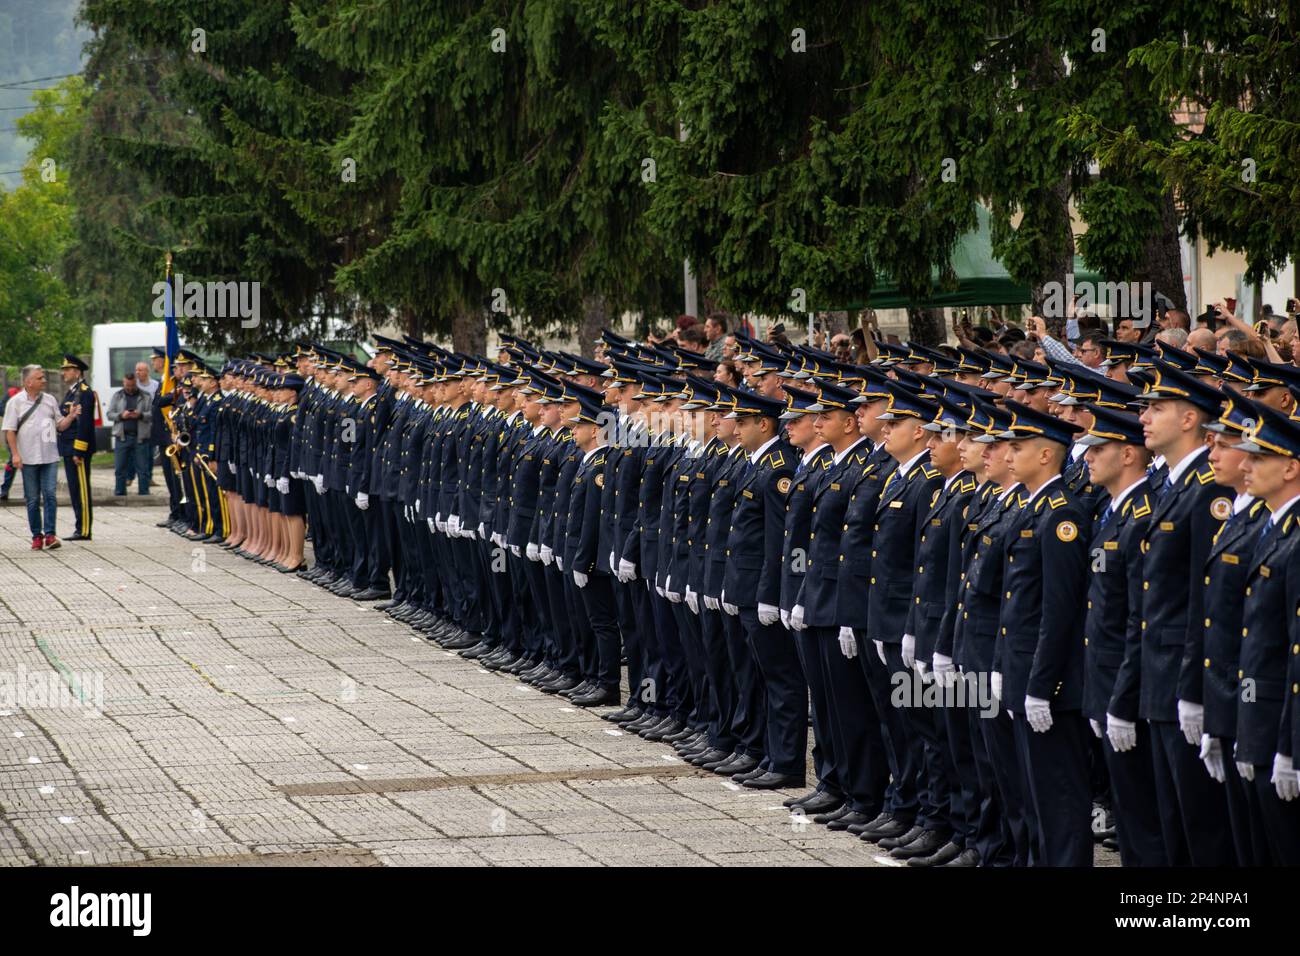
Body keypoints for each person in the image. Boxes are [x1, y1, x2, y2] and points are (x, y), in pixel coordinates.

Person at [2, 365, 66, 549]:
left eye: (44, 377)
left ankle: (51, 535)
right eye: (40, 378)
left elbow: (59, 424)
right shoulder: (15, 402)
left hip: (49, 456)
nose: (44, 380)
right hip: (28, 457)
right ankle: (36, 536)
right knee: (32, 499)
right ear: (28, 382)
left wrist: (69, 417)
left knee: (50, 495)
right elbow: (10, 431)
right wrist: (15, 454)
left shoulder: (50, 400)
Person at [57, 355, 98, 541]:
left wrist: (79, 450)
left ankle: (84, 529)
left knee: (81, 489)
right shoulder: (72, 392)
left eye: (67, 369)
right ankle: (79, 526)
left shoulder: (84, 392)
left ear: (77, 372)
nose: (64, 373)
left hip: (76, 449)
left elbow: (85, 424)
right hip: (67, 447)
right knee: (74, 489)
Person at [107, 373, 153, 495]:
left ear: (136, 383)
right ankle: (120, 493)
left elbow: (152, 414)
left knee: (143, 469)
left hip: (140, 437)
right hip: (122, 437)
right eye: (127, 385)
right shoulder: (117, 396)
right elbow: (109, 414)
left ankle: (144, 494)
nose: (130, 388)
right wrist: (121, 415)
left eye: (132, 385)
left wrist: (141, 415)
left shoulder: (146, 396)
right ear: (123, 383)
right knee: (120, 468)